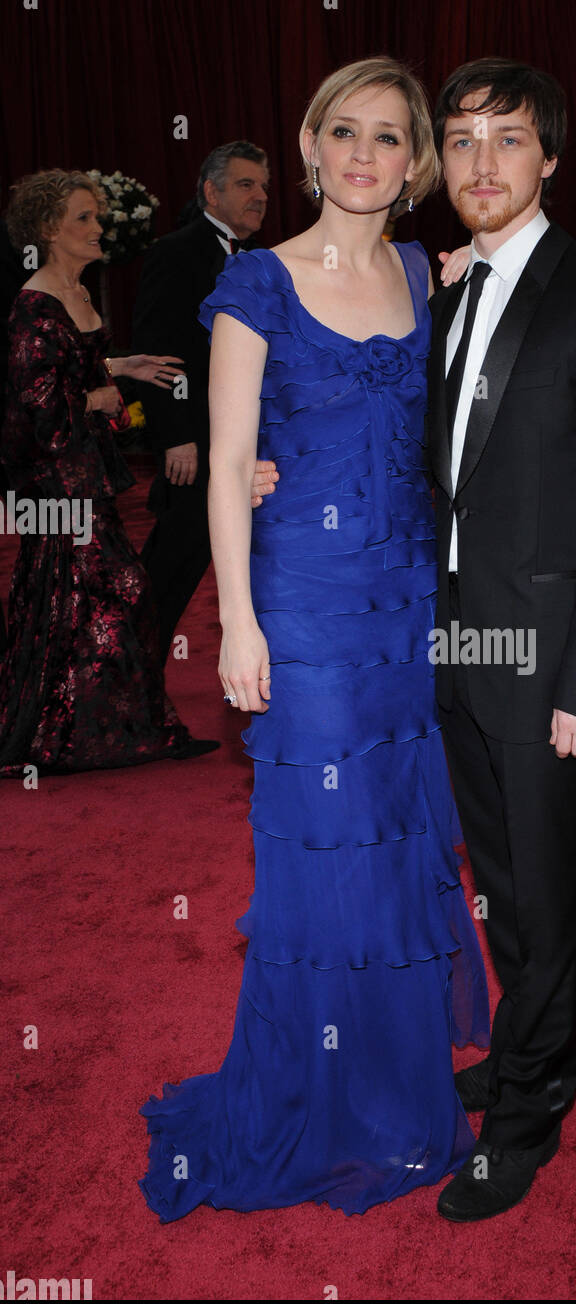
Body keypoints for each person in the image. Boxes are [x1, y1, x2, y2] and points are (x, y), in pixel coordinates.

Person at [139, 58, 490, 1223]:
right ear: (308, 141)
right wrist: (236, 622)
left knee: (396, 840)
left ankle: (391, 1094)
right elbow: (229, 467)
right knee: (328, 848)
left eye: (387, 138)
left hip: (406, 599)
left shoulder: (414, 271)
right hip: (301, 598)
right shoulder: (255, 284)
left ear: (414, 163)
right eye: (342, 130)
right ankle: (317, 1098)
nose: (360, 154)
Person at [428, 59, 576, 1221]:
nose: (482, 162)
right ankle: (525, 1043)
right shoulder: (449, 291)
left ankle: (527, 1115)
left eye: (507, 140)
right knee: (505, 883)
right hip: (459, 648)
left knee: (551, 888)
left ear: (549, 159)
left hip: (549, 654)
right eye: (462, 139)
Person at [0, 170, 216, 775]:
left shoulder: (79, 293)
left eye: (98, 217)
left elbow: (69, 362)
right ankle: (86, 734)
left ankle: (92, 731)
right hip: (57, 484)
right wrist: (99, 396)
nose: (99, 229)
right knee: (116, 593)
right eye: (84, 219)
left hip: (85, 478)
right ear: (49, 230)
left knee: (70, 603)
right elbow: (33, 408)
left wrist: (123, 366)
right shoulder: (34, 303)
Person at [132, 142, 269, 661]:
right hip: (197, 447)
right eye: (245, 185)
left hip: (247, 451)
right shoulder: (177, 251)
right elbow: (156, 351)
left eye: (263, 187)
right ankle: (128, 686)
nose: (259, 197)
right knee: (170, 572)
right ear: (211, 192)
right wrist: (176, 437)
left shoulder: (258, 260)